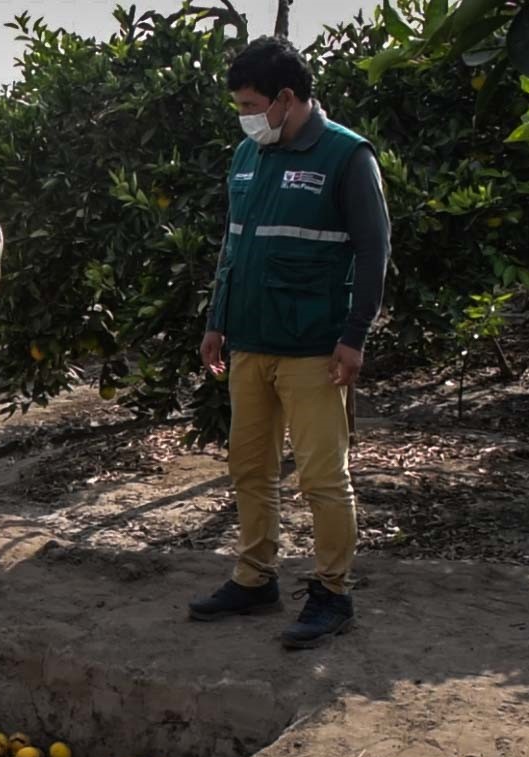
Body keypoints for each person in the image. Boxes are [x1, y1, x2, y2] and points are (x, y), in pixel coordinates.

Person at [187, 36, 391, 649]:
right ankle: (255, 578)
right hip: (250, 341)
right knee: (248, 467)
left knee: (323, 479)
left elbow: (375, 250)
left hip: (314, 350)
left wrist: (354, 336)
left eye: (251, 103)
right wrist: (216, 320)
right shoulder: (248, 156)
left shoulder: (347, 156)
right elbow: (234, 244)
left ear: (285, 98)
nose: (245, 116)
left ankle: (333, 593)